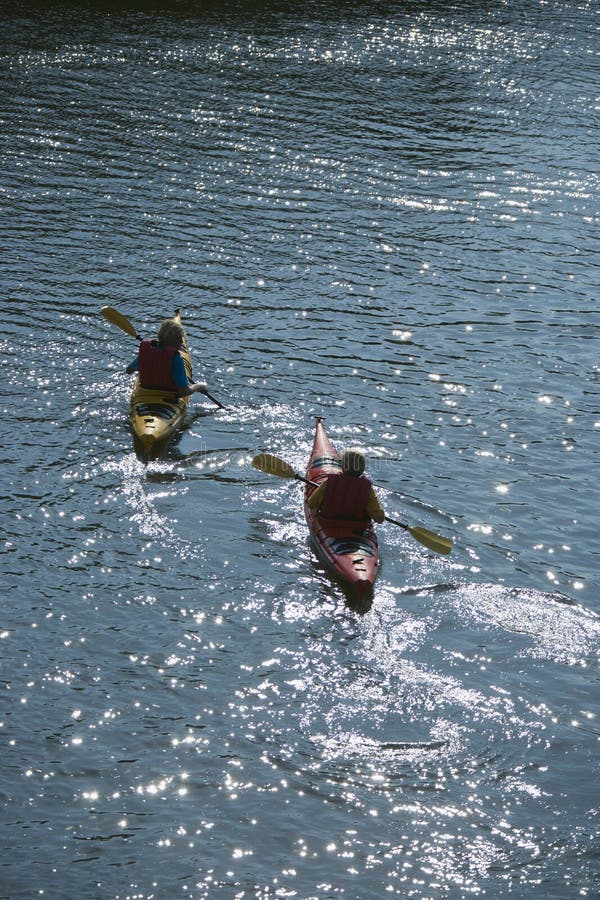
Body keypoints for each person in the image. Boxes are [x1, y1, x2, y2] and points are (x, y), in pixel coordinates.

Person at [126, 317, 208, 398]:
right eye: (179, 338)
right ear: (171, 338)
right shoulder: (176, 358)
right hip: (168, 396)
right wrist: (198, 386)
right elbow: (184, 392)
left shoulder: (147, 351)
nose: (181, 342)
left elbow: (129, 370)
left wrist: (145, 368)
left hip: (145, 392)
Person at [306, 448, 385, 524]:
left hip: (328, 522)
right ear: (362, 468)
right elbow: (379, 518)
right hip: (358, 527)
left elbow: (311, 503)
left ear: (343, 467)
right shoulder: (367, 488)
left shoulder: (330, 482)